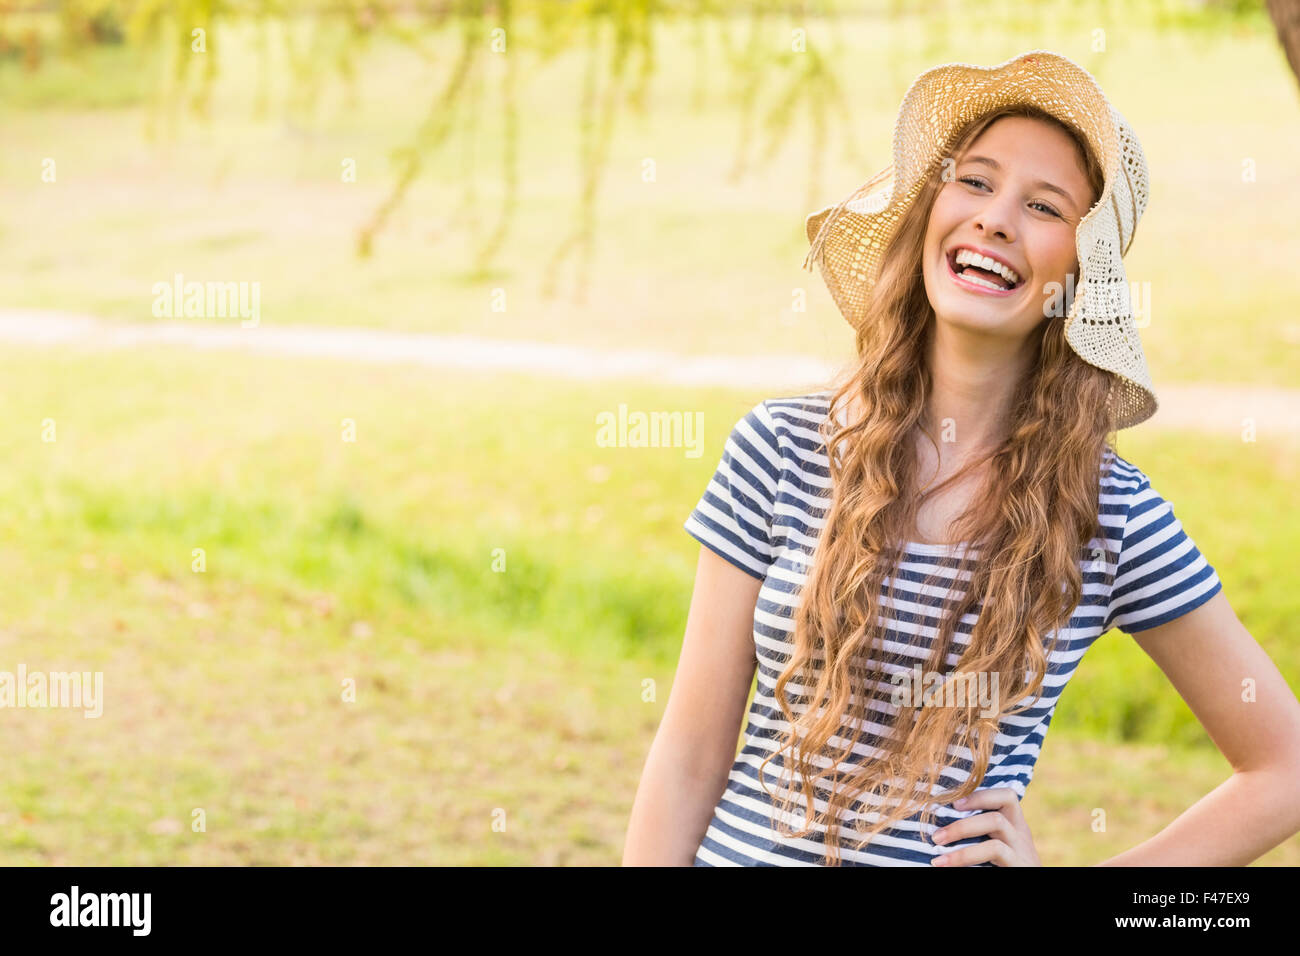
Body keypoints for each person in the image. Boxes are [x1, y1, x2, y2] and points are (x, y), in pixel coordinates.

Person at [622, 51, 1300, 867]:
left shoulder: (1106, 514)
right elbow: (690, 758)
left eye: (1044, 206)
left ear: (1081, 276)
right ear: (929, 215)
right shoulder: (780, 449)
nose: (996, 218)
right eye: (973, 182)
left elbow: (1283, 769)